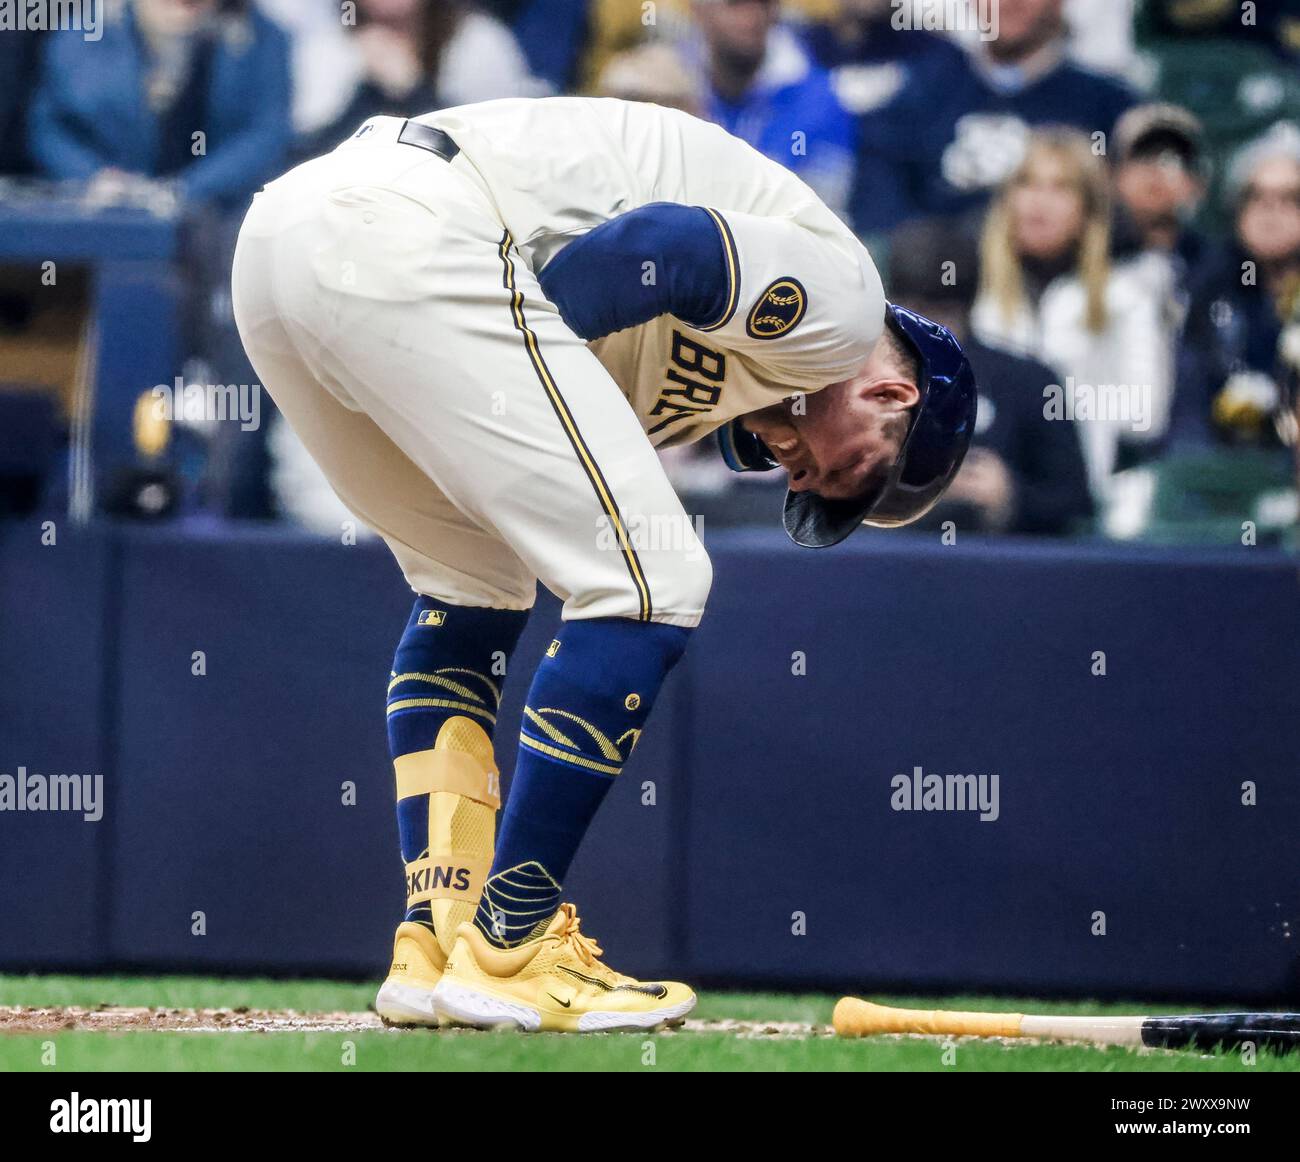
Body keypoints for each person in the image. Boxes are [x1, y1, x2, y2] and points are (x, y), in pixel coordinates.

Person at [231, 97, 975, 1032]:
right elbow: (661, 246)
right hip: (407, 220)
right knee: (655, 577)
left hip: (285, 247)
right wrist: (518, 356)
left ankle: (441, 934)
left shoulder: (738, 392)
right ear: (893, 392)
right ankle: (514, 939)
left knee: (471, 583)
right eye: (857, 476)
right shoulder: (847, 309)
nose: (817, 482)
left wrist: (510, 363)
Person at [972, 130, 1172, 505]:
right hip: (986, 486)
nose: (1038, 203)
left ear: (1089, 210)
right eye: (1027, 185)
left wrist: (1047, 401)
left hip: (1092, 492)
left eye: (1060, 188)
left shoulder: (1128, 293)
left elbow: (1149, 414)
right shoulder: (975, 288)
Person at [888, 220, 1093, 535]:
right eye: (912, 314)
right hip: (876, 561)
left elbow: (1075, 501)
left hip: (994, 564)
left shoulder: (1028, 382)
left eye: (941, 316)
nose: (923, 333)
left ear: (966, 310)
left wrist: (1010, 495)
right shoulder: (853, 380)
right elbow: (798, 492)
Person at [856, 0, 1136, 230]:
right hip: (943, 290)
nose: (1009, 3)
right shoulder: (920, 92)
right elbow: (878, 213)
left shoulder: (1109, 107)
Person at [28, 0, 290, 209]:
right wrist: (94, 178)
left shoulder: (259, 38)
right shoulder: (86, 32)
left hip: (219, 223)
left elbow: (266, 132)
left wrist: (186, 190)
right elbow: (49, 127)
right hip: (101, 217)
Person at [1170, 124, 1300, 451]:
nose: (1271, 213)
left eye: (1289, 199)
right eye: (1256, 197)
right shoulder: (1207, 288)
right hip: (1226, 468)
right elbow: (1188, 408)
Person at [685, 0, 856, 215]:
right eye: (735, 5)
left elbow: (821, 216)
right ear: (699, 11)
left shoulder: (819, 100)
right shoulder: (670, 85)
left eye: (764, 4)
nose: (752, 18)